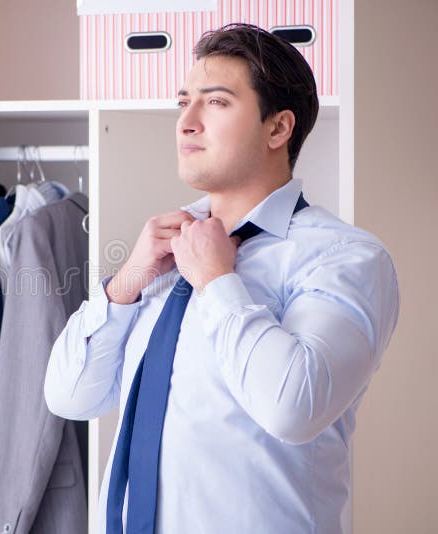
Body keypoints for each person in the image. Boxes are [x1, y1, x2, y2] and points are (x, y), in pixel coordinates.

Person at [44, 23, 399, 533]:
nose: (186, 122)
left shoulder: (345, 258)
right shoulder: (164, 251)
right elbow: (70, 397)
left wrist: (216, 282)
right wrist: (123, 287)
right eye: (183, 102)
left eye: (215, 103)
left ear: (278, 129)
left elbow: (292, 407)